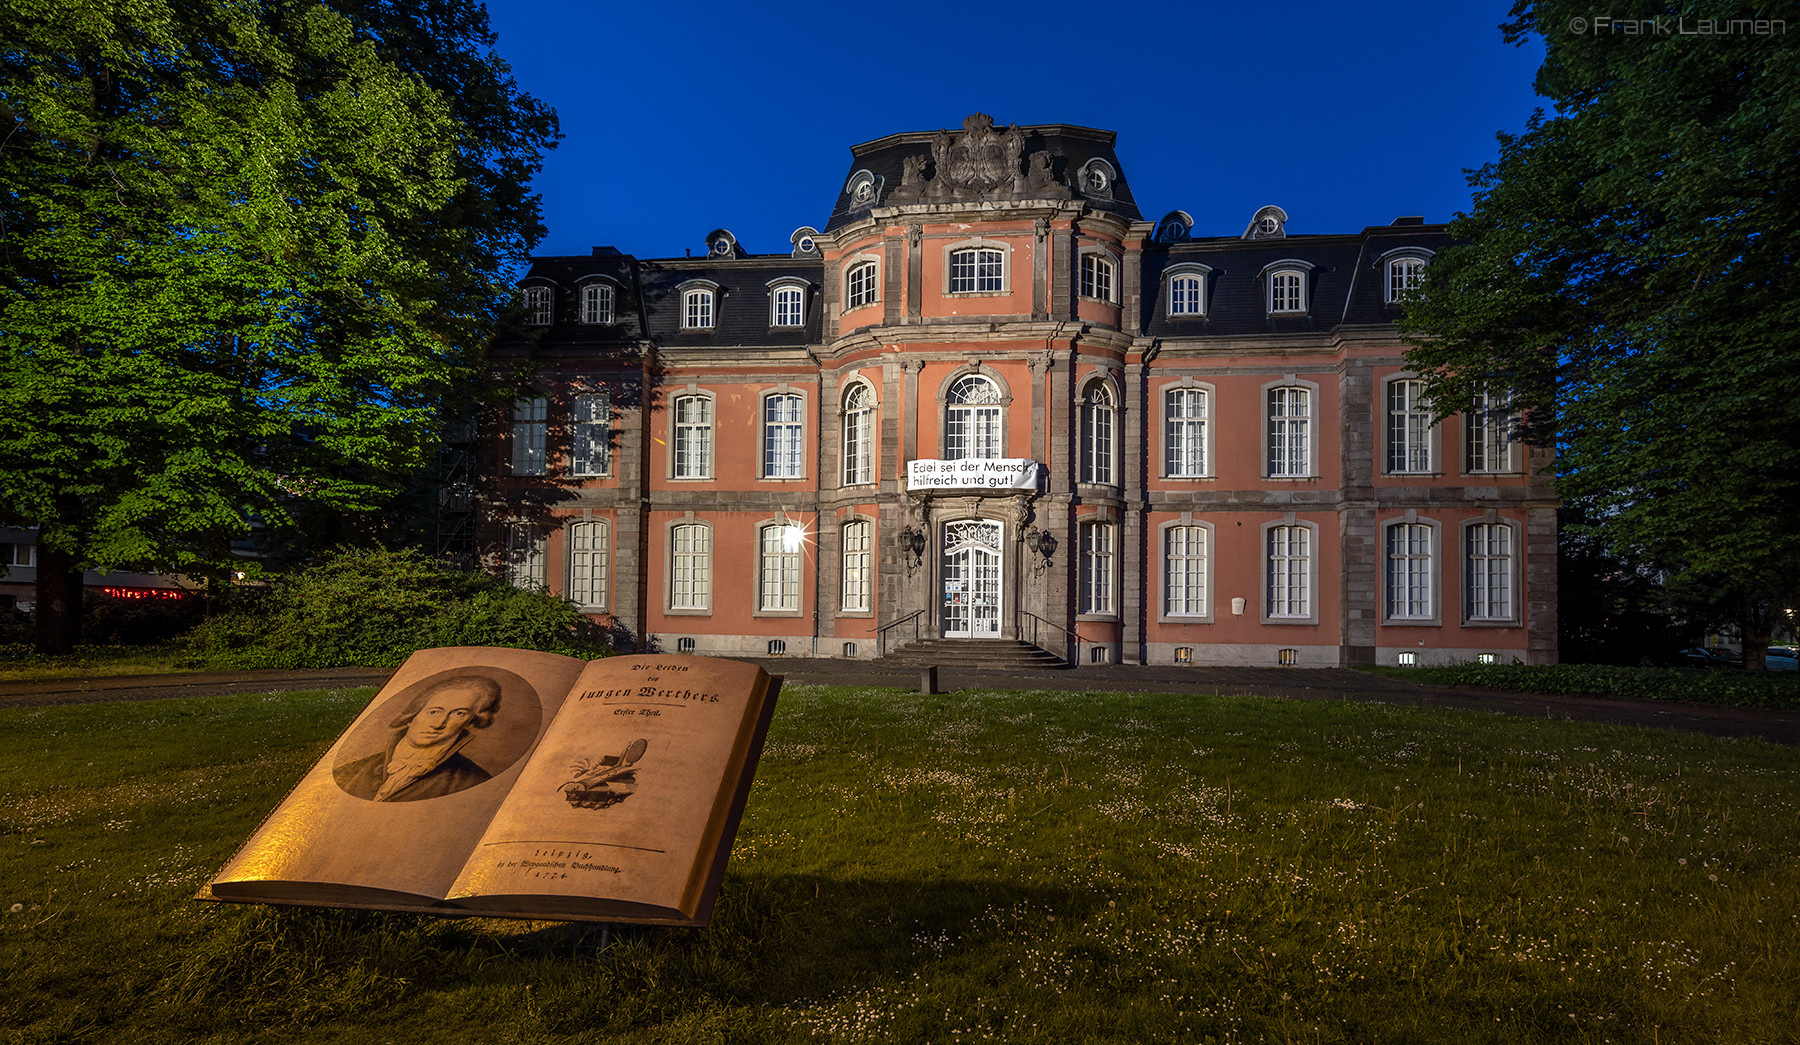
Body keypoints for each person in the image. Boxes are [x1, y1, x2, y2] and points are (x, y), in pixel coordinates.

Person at [334, 675, 503, 802]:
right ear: (412, 716)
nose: (439, 724)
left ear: (471, 721)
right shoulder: (351, 771)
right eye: (434, 712)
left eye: (459, 714)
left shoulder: (472, 782)